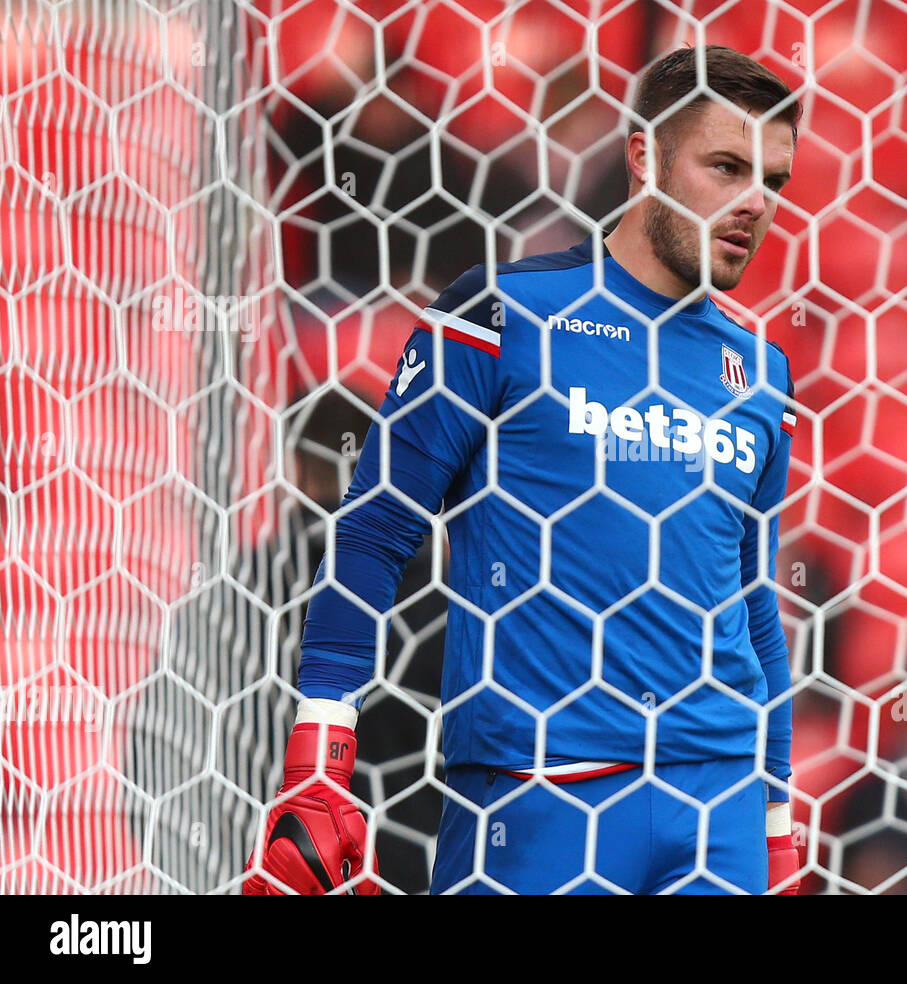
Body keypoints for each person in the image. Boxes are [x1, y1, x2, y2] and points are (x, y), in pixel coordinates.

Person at [244, 43, 803, 895]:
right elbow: (376, 525)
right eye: (726, 167)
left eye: (773, 181)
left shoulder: (761, 373)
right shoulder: (502, 312)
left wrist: (775, 817)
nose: (754, 204)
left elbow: (753, 597)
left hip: (716, 806)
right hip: (535, 795)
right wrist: (318, 759)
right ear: (645, 157)